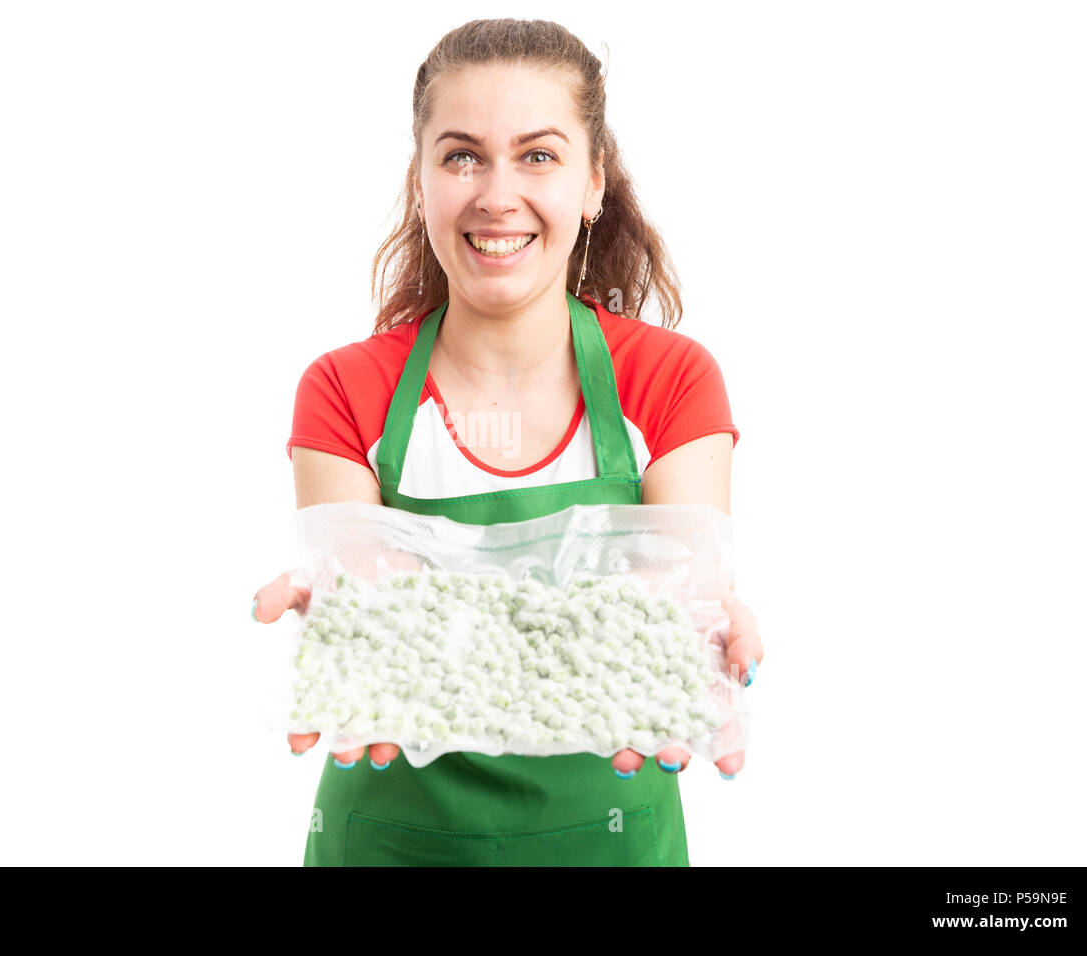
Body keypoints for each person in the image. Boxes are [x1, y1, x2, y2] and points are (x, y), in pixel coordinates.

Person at [253, 17, 765, 866]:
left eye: (538, 155)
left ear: (594, 182)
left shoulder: (670, 380)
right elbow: (381, 631)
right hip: (389, 841)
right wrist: (350, 618)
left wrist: (698, 621)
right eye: (461, 156)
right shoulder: (347, 391)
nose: (497, 194)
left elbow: (672, 598)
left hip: (613, 842)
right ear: (421, 184)